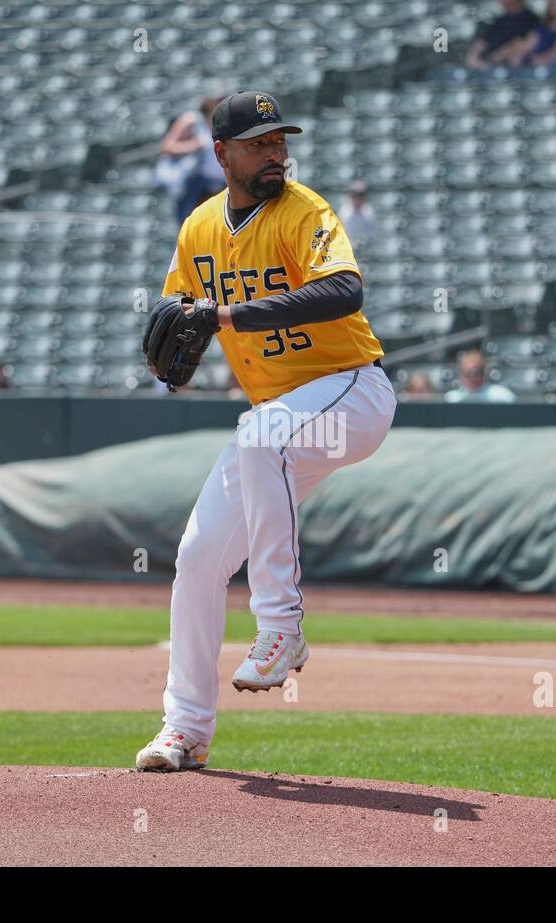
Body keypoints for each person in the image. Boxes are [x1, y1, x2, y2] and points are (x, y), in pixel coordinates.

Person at [134, 91, 396, 772]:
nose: (276, 152)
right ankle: (184, 729)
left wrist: (223, 318)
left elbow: (344, 292)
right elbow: (177, 317)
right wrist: (180, 335)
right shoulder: (197, 229)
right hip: (281, 425)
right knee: (196, 560)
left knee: (261, 436)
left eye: (279, 140)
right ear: (222, 154)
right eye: (259, 143)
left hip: (352, 393)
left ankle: (282, 627)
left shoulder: (304, 210)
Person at [156, 95, 227, 224]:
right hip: (197, 186)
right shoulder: (192, 121)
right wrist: (194, 146)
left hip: (223, 185)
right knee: (191, 224)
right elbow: (167, 147)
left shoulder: (229, 123)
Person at [464, 0, 542, 69]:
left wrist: (492, 60)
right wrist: (474, 57)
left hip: (508, 68)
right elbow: (482, 42)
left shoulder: (530, 18)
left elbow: (520, 43)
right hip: (484, 66)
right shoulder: (500, 20)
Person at [445, 349, 516, 402]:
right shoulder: (452, 399)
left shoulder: (502, 396)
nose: (473, 378)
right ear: (461, 374)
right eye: (469, 373)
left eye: (478, 372)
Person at [339, 180, 375, 251]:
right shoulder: (344, 211)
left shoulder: (369, 211)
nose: (358, 198)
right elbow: (341, 232)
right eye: (355, 195)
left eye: (361, 195)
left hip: (366, 247)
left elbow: (371, 233)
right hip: (348, 247)